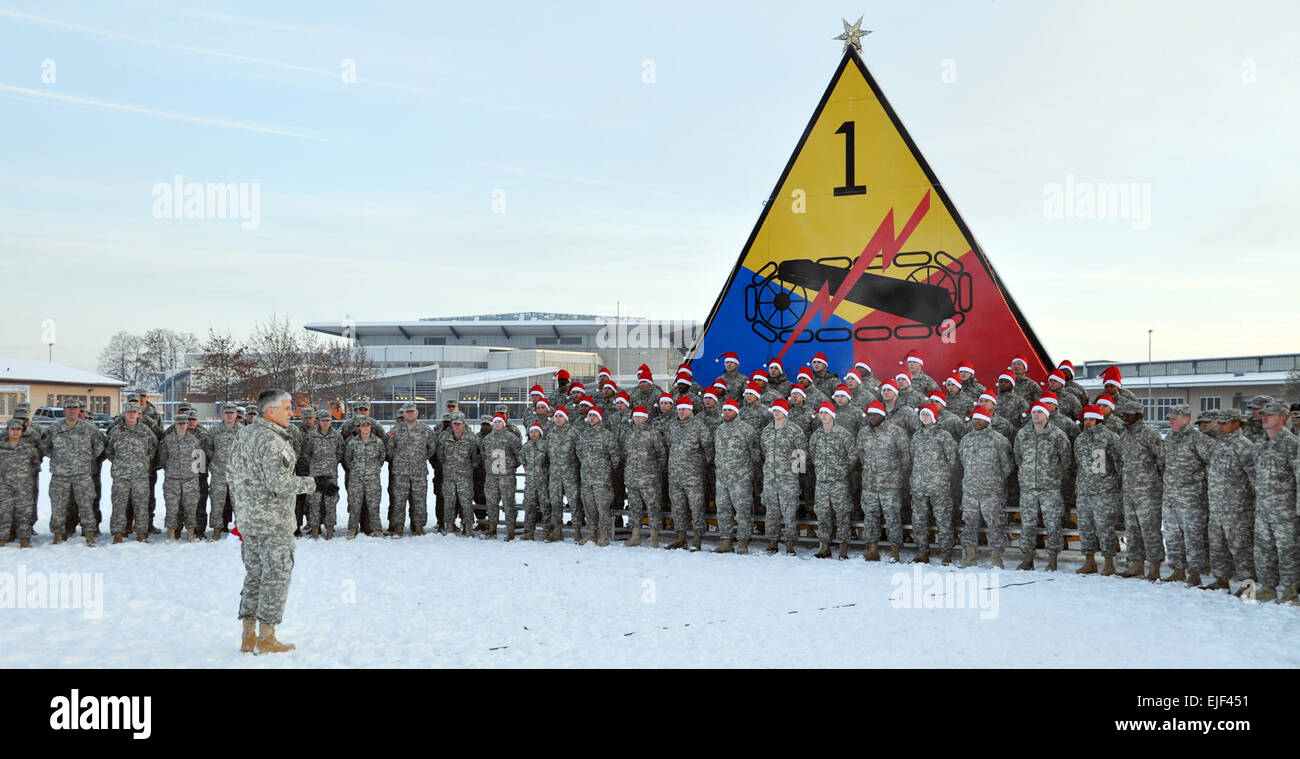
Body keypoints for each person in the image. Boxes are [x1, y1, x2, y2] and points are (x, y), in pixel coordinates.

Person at [229, 388, 323, 654]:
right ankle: (267, 637)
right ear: (271, 412)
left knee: (254, 576)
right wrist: (314, 483)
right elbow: (278, 482)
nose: (291, 413)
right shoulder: (272, 441)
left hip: (249, 521)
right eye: (287, 408)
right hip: (273, 522)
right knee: (276, 577)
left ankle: (248, 636)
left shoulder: (244, 434)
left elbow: (232, 474)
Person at [1160, 404, 1215, 586]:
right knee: (1172, 536)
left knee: (1193, 537)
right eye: (1170, 418)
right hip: (1170, 497)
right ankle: (1178, 569)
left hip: (1191, 498)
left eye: (1175, 418)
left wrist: (1201, 484)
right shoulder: (1169, 438)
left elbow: (1212, 463)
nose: (1171, 421)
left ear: (1187, 419)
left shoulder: (1198, 438)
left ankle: (1195, 572)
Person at [1013, 402, 1071, 571]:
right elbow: (1018, 457)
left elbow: (1066, 459)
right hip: (1028, 487)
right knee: (1028, 524)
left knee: (1052, 524)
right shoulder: (1023, 434)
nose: (1036, 415)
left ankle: (1052, 560)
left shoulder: (1057, 435)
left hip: (1050, 487)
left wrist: (1054, 476)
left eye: (1040, 412)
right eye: (1034, 412)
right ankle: (1027, 559)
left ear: (1046, 415)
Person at [1250, 400, 1298, 604]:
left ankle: (1290, 591)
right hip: (1263, 508)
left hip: (1285, 509)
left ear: (1283, 418)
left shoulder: (1292, 444)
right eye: (1263, 414)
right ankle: (1268, 587)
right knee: (1263, 549)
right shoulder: (1261, 443)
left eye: (1271, 414)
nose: (1265, 417)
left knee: (1288, 550)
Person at [1203, 409, 1256, 593]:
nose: (1220, 426)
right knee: (1218, 547)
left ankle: (1248, 587)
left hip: (1237, 509)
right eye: (1219, 423)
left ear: (1236, 424)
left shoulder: (1244, 446)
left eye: (1224, 423)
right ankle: (1221, 580)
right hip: (1217, 506)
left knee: (1240, 549)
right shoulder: (1219, 444)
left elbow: (1254, 479)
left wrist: (1250, 506)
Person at [42, 399, 105, 545]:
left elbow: (99, 446)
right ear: (64, 411)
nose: (71, 411)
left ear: (79, 410)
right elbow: (45, 447)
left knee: (86, 505)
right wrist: (59, 458)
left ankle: (89, 533)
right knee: (58, 506)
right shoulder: (55, 428)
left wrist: (84, 459)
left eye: (75, 408)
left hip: (82, 474)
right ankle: (58, 534)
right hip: (60, 475)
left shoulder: (89, 428)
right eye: (68, 408)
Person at [957, 406, 1013, 568]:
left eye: (981, 418)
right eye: (975, 418)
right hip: (970, 490)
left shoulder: (999, 440)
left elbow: (1007, 465)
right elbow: (962, 461)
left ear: (988, 420)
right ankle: (970, 557)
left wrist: (994, 479)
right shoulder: (966, 439)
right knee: (969, 524)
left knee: (995, 524)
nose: (977, 421)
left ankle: (996, 558)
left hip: (992, 491)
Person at [855, 400, 911, 562]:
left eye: (875, 414)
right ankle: (872, 549)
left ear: (883, 415)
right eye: (870, 414)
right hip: (869, 483)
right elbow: (860, 454)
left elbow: (905, 456)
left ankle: (895, 550)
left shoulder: (896, 432)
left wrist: (896, 473)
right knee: (870, 517)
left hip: (890, 484)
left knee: (892, 517)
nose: (872, 417)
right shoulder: (863, 432)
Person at [1117, 400, 1166, 580]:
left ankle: (1154, 568)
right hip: (1129, 491)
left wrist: (1155, 482)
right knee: (1133, 531)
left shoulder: (1150, 435)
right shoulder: (1124, 435)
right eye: (1124, 414)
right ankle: (1136, 565)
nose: (1126, 418)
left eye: (1129, 414)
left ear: (1139, 415)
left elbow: (1162, 460)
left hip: (1148, 492)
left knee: (1150, 531)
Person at [1073, 405, 1123, 575]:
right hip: (1084, 491)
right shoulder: (1080, 439)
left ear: (1099, 420)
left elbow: (1118, 463)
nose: (1088, 422)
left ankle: (1109, 563)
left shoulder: (1110, 437)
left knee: (1105, 528)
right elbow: (1077, 463)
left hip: (1105, 491)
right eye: (1086, 419)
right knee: (1085, 527)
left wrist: (1115, 485)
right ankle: (1089, 562)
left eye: (1091, 419)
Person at [664, 396, 714, 550]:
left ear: (691, 410)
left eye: (684, 409)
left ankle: (697, 539)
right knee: (678, 508)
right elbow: (668, 446)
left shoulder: (700, 427)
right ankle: (681, 538)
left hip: (694, 476)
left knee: (696, 507)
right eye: (679, 409)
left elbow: (709, 450)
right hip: (675, 476)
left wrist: (699, 467)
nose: (681, 411)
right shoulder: (672, 426)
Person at [910, 404, 958, 565]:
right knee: (919, 520)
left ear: (934, 416)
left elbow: (953, 459)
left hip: (939, 486)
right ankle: (922, 552)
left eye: (927, 414)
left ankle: (946, 553)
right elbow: (912, 457)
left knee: (943, 520)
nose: (924, 417)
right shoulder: (916, 436)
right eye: (922, 414)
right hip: (918, 485)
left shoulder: (943, 435)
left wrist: (943, 477)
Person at [104, 402, 157, 544]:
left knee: (141, 505)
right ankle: (118, 533)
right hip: (121, 475)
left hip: (140, 475)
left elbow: (153, 449)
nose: (132, 414)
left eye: (135, 412)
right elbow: (109, 451)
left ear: (139, 414)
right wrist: (121, 464)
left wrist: (143, 463)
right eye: (129, 412)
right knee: (119, 505)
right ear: (124, 414)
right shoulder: (116, 432)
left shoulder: (146, 432)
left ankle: (141, 533)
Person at [712, 397, 760, 554]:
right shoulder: (719, 430)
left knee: (743, 511)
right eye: (724, 410)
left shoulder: (747, 430)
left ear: (736, 411)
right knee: (723, 510)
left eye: (729, 410)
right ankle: (726, 540)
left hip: (740, 478)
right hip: (722, 478)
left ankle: (742, 541)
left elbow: (756, 455)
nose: (726, 413)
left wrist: (746, 472)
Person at [808, 401, 856, 559]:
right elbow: (812, 454)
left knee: (842, 514)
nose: (823, 415)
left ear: (832, 415)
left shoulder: (843, 434)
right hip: (821, 482)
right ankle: (824, 546)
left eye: (826, 413)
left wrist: (842, 470)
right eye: (821, 413)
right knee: (822, 514)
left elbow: (853, 455)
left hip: (839, 483)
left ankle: (843, 548)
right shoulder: (816, 435)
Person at [759, 398, 807, 555]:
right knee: (771, 512)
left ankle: (790, 544)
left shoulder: (795, 430)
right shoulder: (766, 431)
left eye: (779, 409)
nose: (776, 411)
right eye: (774, 409)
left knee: (789, 512)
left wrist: (794, 474)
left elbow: (801, 453)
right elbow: (764, 452)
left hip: (788, 480)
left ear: (785, 411)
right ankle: (772, 542)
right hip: (770, 479)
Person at [386, 402, 438, 536]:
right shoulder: (395, 430)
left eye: (412, 411)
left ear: (416, 413)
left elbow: (432, 449)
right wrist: (400, 459)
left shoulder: (426, 430)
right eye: (407, 411)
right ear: (403, 414)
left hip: (419, 471)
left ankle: (419, 525)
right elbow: (389, 449)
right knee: (399, 500)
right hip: (400, 472)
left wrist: (420, 458)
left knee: (419, 500)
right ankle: (398, 526)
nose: (409, 413)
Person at [575, 407, 621, 546]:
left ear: (600, 418)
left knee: (602, 507)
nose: (591, 418)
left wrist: (604, 469)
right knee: (589, 507)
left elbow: (615, 457)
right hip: (587, 477)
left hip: (601, 479)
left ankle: (604, 535)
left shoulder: (607, 435)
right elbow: (579, 452)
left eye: (594, 416)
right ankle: (592, 534)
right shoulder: (584, 434)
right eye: (590, 416)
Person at [622, 406, 666, 547]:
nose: (637, 419)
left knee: (653, 507)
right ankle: (635, 536)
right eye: (635, 417)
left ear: (646, 418)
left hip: (649, 478)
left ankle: (654, 537)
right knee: (634, 507)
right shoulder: (629, 434)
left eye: (640, 417)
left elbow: (662, 456)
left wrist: (655, 472)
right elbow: (625, 454)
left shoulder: (653, 434)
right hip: (632, 478)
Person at [158, 407, 203, 541]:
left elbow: (199, 462)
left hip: (190, 480)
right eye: (179, 423)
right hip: (172, 480)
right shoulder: (168, 440)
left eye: (184, 423)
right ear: (175, 424)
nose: (182, 426)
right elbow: (163, 459)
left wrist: (193, 475)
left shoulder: (194, 440)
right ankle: (171, 534)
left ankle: (190, 533)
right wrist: (171, 471)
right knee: (172, 508)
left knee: (190, 508)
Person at [438, 411, 482, 536]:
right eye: (454, 423)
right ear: (451, 424)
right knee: (449, 502)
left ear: (464, 424)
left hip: (465, 477)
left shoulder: (472, 438)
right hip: (449, 476)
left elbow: (476, 458)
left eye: (459, 423)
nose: (456, 426)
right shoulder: (444, 438)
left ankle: (468, 527)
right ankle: (449, 526)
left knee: (466, 503)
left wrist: (467, 468)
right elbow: (440, 456)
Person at [302, 409, 344, 539]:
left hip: (330, 475)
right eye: (323, 420)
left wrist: (331, 463)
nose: (325, 423)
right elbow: (306, 453)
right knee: (314, 502)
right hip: (315, 476)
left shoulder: (337, 436)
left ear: (331, 421)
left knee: (330, 502)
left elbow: (340, 453)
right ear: (318, 421)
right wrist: (315, 466)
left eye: (327, 420)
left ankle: (330, 529)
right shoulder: (312, 436)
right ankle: (315, 530)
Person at [481, 413, 522, 539]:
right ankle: (492, 529)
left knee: (508, 503)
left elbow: (520, 456)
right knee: (491, 503)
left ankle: (510, 530)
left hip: (506, 476)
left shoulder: (511, 438)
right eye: (495, 422)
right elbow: (483, 456)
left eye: (499, 422)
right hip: (491, 476)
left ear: (503, 423)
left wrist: (511, 466)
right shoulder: (487, 439)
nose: (497, 424)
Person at [343, 416, 386, 538]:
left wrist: (374, 469)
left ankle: (376, 529)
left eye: (368, 425)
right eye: (363, 425)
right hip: (356, 478)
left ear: (370, 427)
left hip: (373, 479)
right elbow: (347, 459)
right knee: (355, 504)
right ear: (359, 428)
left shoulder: (378, 442)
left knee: (373, 504)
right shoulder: (352, 442)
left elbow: (381, 458)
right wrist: (356, 469)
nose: (365, 428)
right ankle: (352, 528)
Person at [542, 406, 580, 542]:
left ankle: (577, 531)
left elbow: (580, 452)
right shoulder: (550, 434)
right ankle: (557, 530)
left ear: (566, 418)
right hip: (554, 474)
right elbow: (546, 454)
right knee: (555, 502)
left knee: (574, 502)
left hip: (570, 473)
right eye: (556, 416)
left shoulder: (573, 432)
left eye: (561, 416)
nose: (558, 419)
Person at [0, 419, 39, 548]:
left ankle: (24, 538)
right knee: (3, 512)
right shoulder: (1, 447)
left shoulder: (29, 448)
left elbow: (35, 465)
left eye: (18, 429)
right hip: (4, 485)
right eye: (12, 429)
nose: (15, 432)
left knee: (24, 513)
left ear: (22, 431)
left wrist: (26, 477)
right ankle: (1, 538)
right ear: (7, 431)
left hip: (24, 486)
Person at [208, 404, 242, 539]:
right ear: (222, 415)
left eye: (231, 413)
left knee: (239, 504)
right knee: (217, 503)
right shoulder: (214, 431)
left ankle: (240, 531)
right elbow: (207, 448)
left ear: (236, 415)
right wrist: (215, 461)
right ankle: (217, 530)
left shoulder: (243, 431)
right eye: (226, 413)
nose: (229, 415)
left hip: (237, 475)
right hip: (219, 473)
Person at [517, 423, 549, 541]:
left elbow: (549, 461)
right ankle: (529, 532)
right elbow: (522, 460)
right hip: (530, 482)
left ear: (540, 432)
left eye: (536, 431)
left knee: (545, 507)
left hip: (543, 482)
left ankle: (546, 532)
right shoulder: (526, 447)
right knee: (529, 507)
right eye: (531, 431)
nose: (534, 434)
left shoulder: (545, 446)